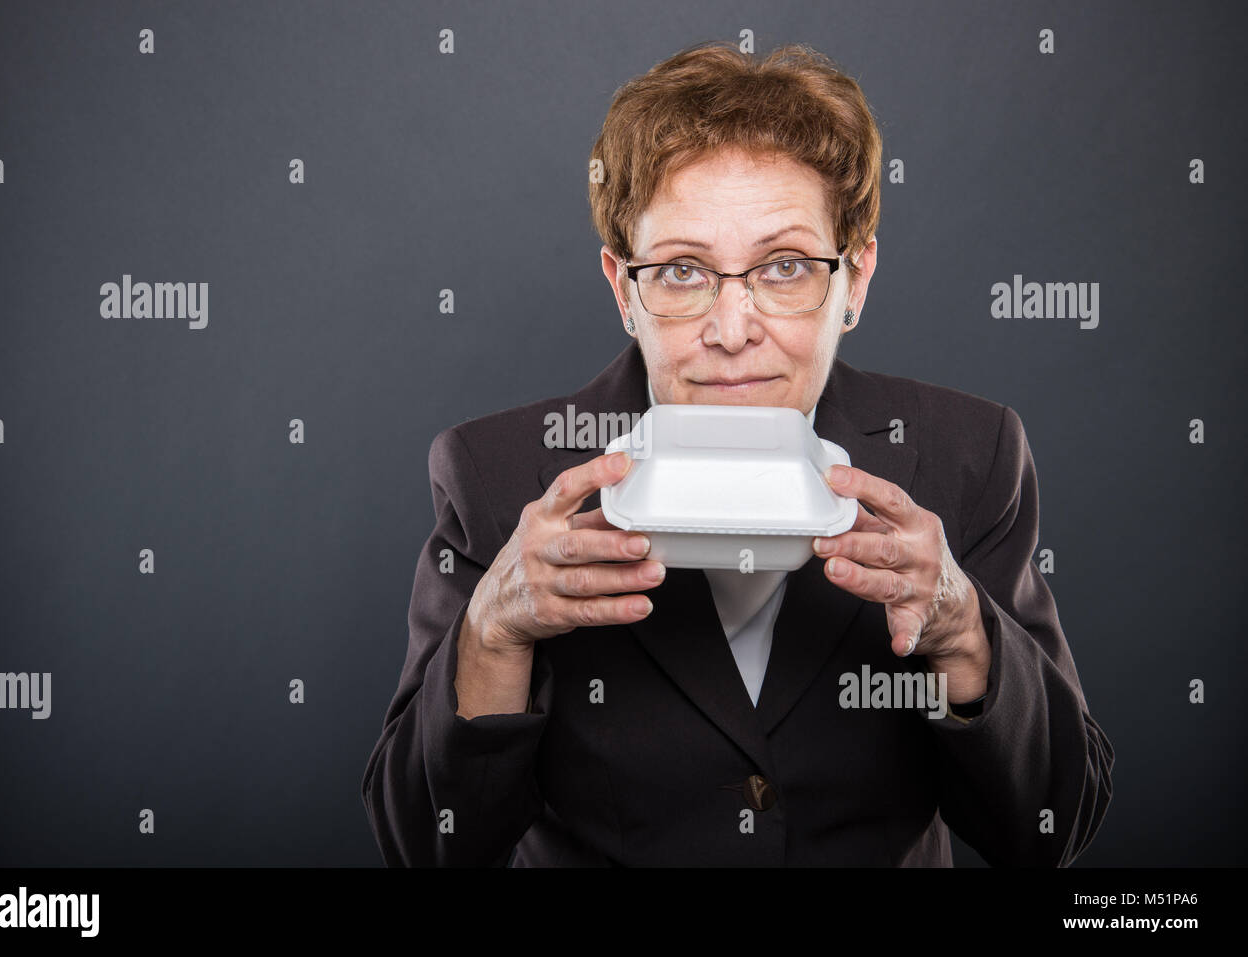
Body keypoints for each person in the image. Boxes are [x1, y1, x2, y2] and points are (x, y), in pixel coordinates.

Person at [361, 41, 1114, 866]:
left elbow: (1055, 823)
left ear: (854, 281)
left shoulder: (966, 456)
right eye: (683, 271)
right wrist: (493, 633)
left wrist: (968, 633)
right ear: (624, 289)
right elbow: (421, 845)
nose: (730, 331)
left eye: (784, 266)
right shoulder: (497, 474)